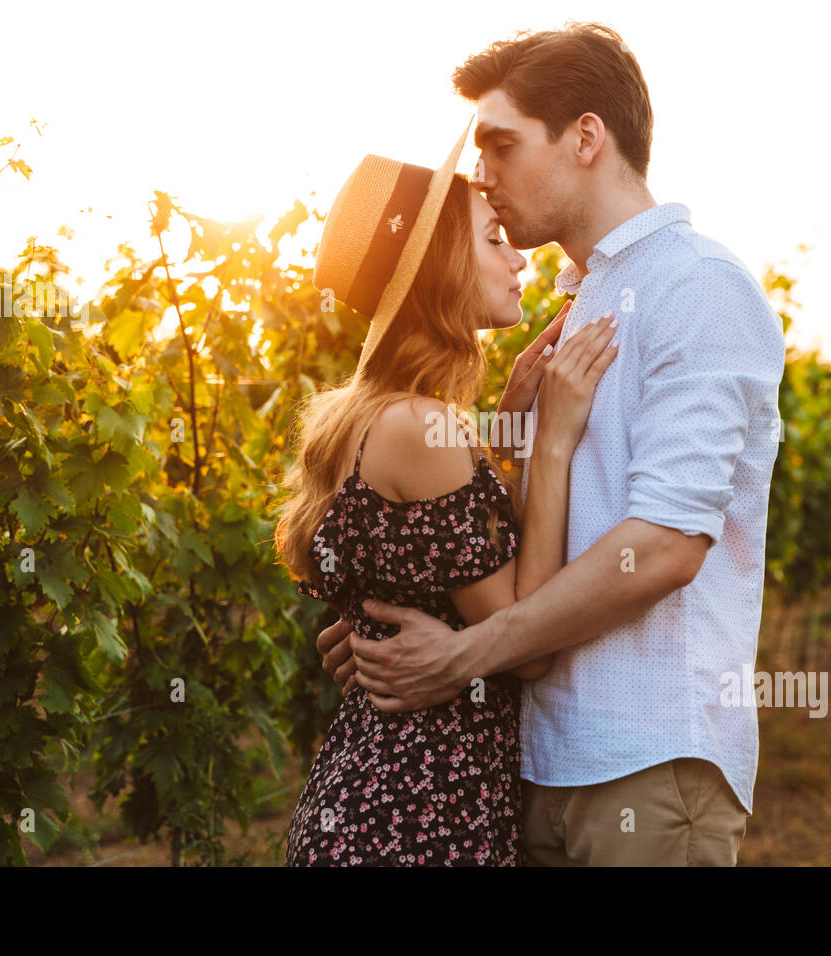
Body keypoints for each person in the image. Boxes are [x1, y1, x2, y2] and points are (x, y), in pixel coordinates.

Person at [317, 22, 787, 866]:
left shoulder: (697, 286)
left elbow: (670, 546)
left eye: (499, 145)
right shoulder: (580, 303)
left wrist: (459, 655)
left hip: (646, 759)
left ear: (585, 137)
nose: (481, 175)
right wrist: (394, 618)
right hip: (534, 760)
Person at [273, 120, 619, 865]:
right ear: (440, 266)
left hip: (382, 802)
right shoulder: (416, 427)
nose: (520, 257)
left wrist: (510, 442)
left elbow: (442, 574)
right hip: (414, 818)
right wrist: (551, 441)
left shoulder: (389, 416)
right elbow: (524, 644)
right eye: (494, 239)